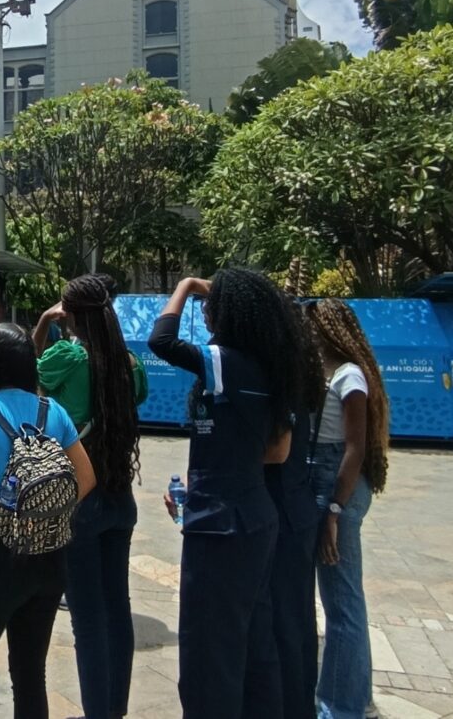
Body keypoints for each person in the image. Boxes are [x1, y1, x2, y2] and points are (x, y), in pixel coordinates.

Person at [148, 271, 309, 718]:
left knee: (208, 655)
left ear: (228, 312)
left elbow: (161, 341)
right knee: (254, 645)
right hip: (252, 517)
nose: (204, 308)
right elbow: (277, 453)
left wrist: (185, 285)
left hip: (221, 526)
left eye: (210, 303)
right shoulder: (267, 365)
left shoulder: (226, 360)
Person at [0, 323, 96, 719]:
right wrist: (45, 512)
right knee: (30, 677)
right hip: (50, 556)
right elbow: (87, 477)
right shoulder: (52, 411)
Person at [33, 275, 147, 719]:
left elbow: (28, 364)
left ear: (71, 315)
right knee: (118, 611)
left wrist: (44, 320)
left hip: (79, 500)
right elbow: (140, 395)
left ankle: (97, 712)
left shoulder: (66, 356)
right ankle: (113, 710)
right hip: (120, 497)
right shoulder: (130, 363)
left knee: (87, 621)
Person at [306, 299, 390, 719]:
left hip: (337, 484)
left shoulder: (349, 376)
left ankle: (343, 706)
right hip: (325, 481)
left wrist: (334, 512)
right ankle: (349, 694)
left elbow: (354, 448)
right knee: (339, 600)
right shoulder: (332, 373)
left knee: (342, 604)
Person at [265, 303, 328, 719]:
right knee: (297, 621)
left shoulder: (280, 383)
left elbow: (276, 451)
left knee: (283, 622)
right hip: (297, 507)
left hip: (282, 510)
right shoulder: (303, 375)